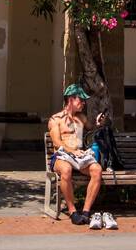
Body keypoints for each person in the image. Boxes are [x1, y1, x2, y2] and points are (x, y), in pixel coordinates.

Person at [48, 84, 117, 230]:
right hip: (62, 156)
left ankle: (85, 212)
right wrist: (72, 152)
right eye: (81, 99)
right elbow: (57, 142)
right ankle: (73, 212)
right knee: (66, 170)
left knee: (97, 170)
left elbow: (92, 128)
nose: (83, 103)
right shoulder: (56, 119)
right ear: (71, 99)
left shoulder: (81, 118)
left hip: (79, 157)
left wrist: (99, 123)